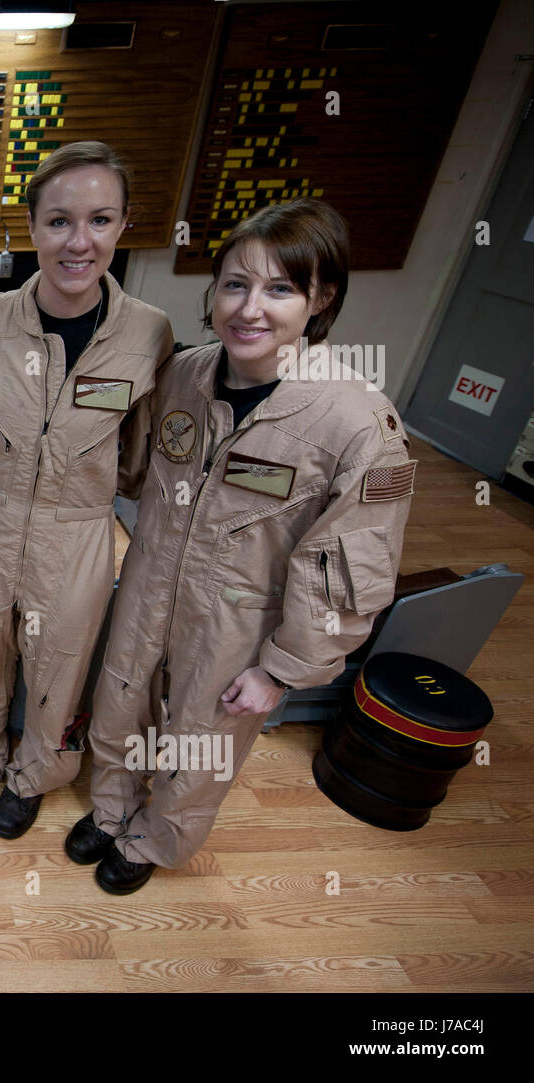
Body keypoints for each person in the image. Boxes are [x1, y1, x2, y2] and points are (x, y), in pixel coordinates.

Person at [70, 198, 416, 894]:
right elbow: (136, 464)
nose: (250, 308)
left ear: (321, 298)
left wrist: (283, 669)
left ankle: (153, 837)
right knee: (119, 702)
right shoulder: (186, 377)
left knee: (200, 744)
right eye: (235, 283)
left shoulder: (358, 424)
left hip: (241, 620)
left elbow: (354, 568)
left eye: (279, 288)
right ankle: (111, 809)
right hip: (147, 585)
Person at [0, 141, 173, 838]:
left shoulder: (148, 332)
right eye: (60, 222)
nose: (80, 242)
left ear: (123, 225)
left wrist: (91, 486)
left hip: (77, 528)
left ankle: (38, 768)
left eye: (99, 220)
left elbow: (140, 448)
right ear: (31, 228)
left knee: (59, 658)